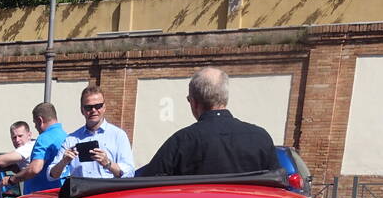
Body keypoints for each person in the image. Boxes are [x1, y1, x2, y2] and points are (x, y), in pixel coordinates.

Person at [136, 67, 277, 177]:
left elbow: (147, 182)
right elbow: (278, 184)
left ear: (194, 103)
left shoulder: (181, 141)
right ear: (225, 98)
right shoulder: (260, 138)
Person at [48, 86, 134, 180]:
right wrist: (63, 162)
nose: (93, 110)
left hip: (107, 192)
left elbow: (129, 173)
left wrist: (108, 163)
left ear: (104, 107)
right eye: (88, 107)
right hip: (79, 193)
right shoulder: (71, 139)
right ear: (82, 110)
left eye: (98, 106)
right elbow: (51, 175)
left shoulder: (118, 136)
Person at [3, 102, 68, 194]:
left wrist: (11, 179)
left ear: (40, 120)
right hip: (59, 193)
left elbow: (34, 169)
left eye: (35, 123)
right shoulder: (66, 137)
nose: (35, 127)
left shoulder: (44, 138)